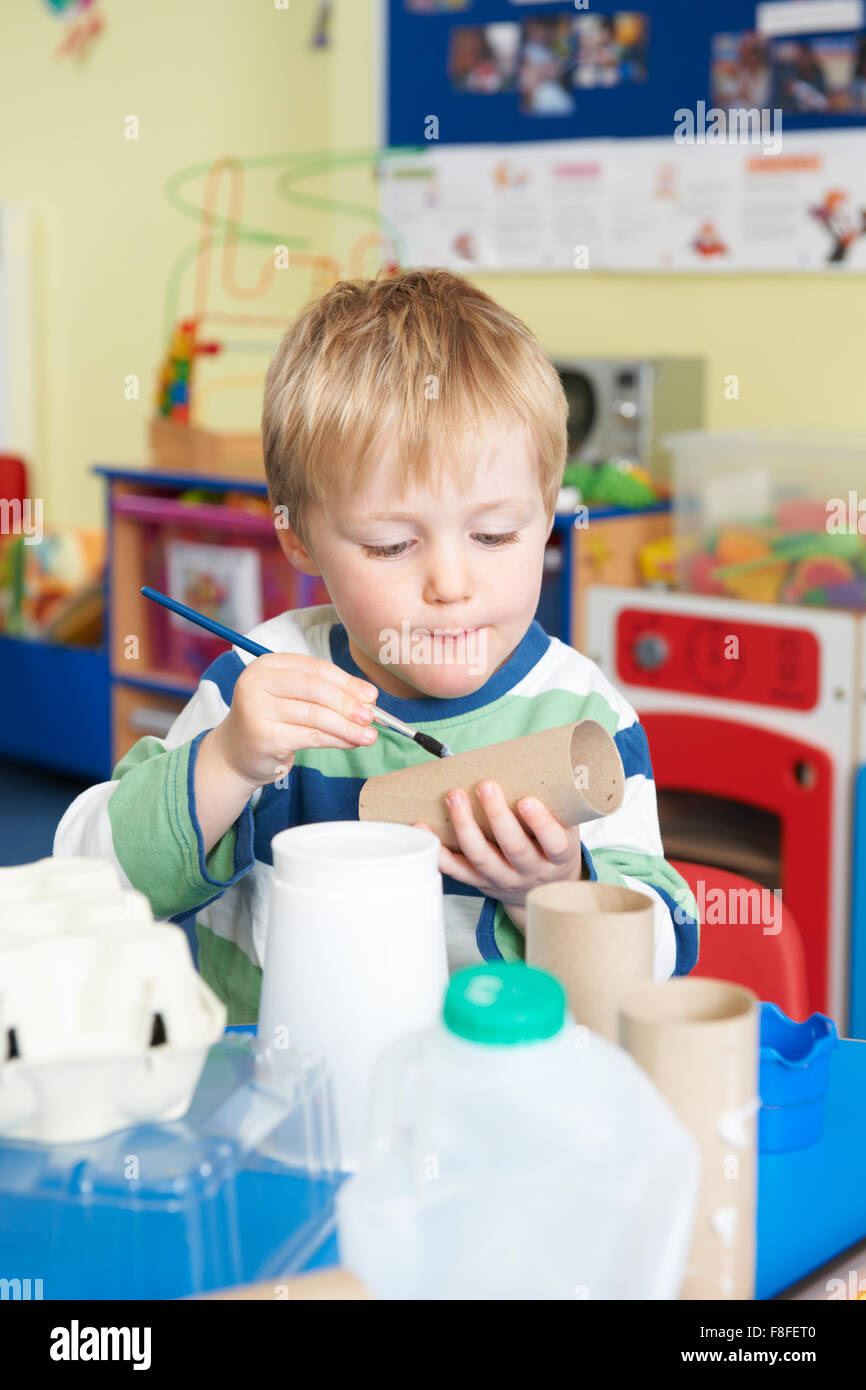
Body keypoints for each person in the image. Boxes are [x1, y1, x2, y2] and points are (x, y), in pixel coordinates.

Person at [55, 269, 700, 1023]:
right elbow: (88, 880)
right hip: (289, 1109)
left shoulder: (584, 715)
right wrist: (226, 762)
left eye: (495, 534)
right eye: (392, 546)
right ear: (297, 538)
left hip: (497, 1109)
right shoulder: (254, 689)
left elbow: (661, 950)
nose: (451, 584)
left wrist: (551, 893)